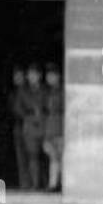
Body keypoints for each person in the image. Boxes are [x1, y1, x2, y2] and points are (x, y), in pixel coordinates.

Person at [11, 65, 46, 189]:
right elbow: (17, 108)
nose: (32, 77)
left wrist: (42, 113)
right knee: (32, 155)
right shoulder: (23, 91)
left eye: (34, 74)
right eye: (30, 74)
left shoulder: (45, 90)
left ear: (39, 76)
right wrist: (28, 116)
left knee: (46, 155)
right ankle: (34, 184)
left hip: (45, 124)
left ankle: (47, 183)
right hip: (29, 125)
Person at [41, 63, 64, 191]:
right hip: (50, 129)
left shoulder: (62, 91)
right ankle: (53, 184)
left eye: (52, 75)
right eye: (48, 75)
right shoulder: (48, 92)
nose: (49, 78)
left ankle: (59, 183)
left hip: (60, 129)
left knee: (60, 158)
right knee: (54, 158)